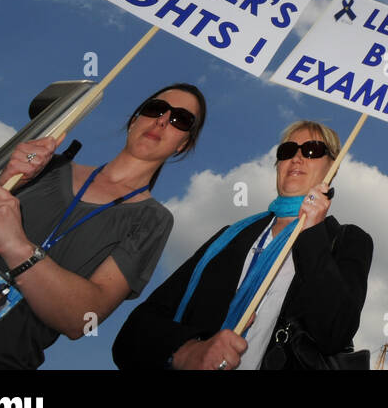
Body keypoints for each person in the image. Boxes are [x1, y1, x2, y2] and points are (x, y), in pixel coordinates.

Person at [0, 83, 204, 369]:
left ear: (183, 145)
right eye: (155, 109)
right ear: (135, 119)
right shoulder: (39, 167)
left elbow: (82, 319)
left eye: (181, 120)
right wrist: (2, 182)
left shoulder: (152, 219)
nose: (163, 120)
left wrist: (17, 246)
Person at [112, 120, 372, 370]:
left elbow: (334, 333)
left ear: (333, 168)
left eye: (313, 150)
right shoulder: (229, 238)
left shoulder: (348, 241)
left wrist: (312, 232)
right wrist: (187, 351)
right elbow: (134, 331)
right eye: (288, 150)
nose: (297, 157)